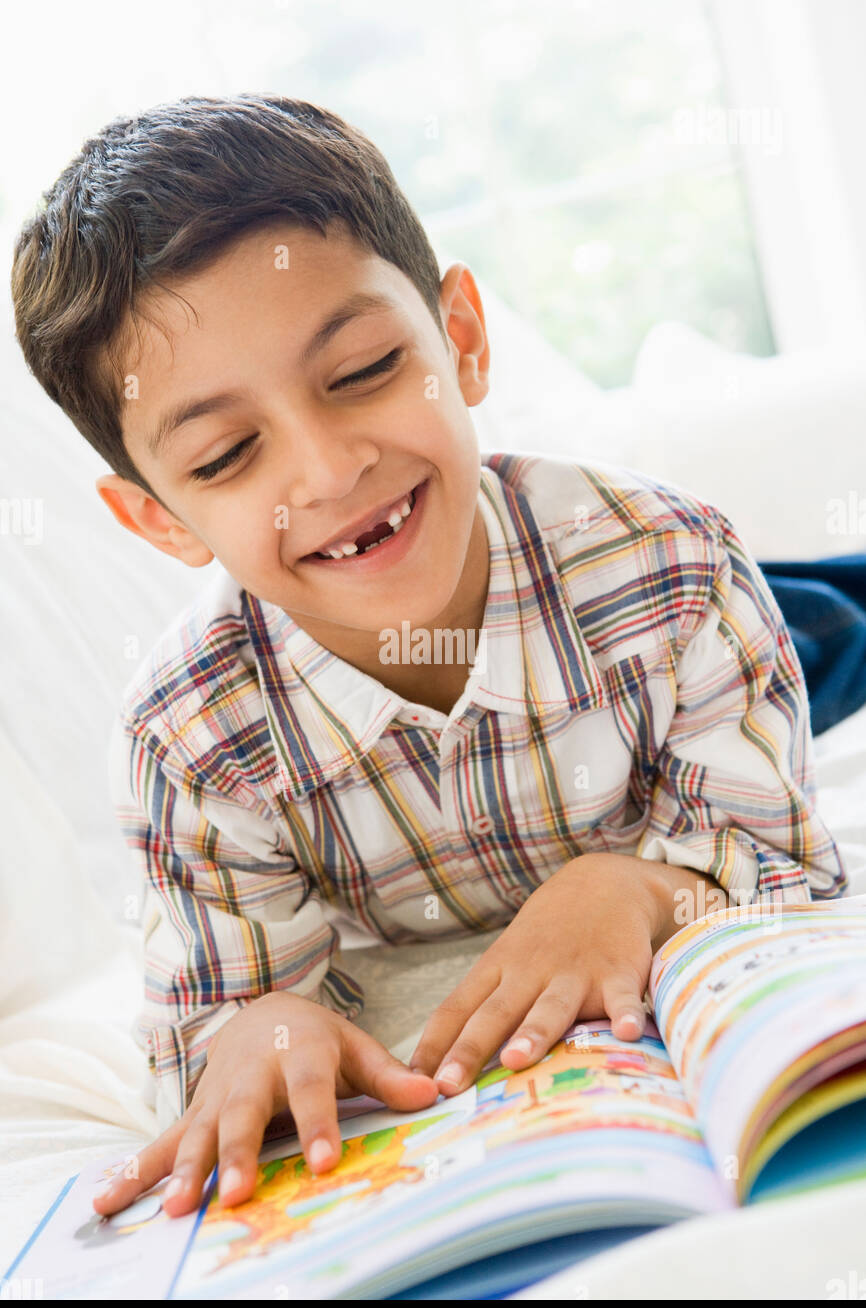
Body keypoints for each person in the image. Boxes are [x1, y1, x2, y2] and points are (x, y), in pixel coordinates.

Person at [10, 93, 847, 1222]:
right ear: (160, 520)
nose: (327, 465)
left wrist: (635, 881)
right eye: (227, 453)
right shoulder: (193, 738)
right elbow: (214, 1019)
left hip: (668, 633)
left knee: (831, 626)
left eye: (358, 369)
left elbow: (780, 860)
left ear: (459, 337)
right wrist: (258, 1028)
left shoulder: (671, 569)